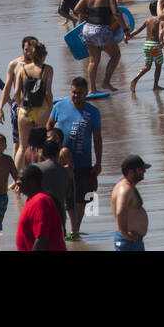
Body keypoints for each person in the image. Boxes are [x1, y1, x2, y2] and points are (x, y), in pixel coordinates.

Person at [46, 77, 103, 241]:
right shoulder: (59, 106)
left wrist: (98, 162)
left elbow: (97, 138)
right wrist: (52, 144)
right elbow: (49, 126)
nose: (76, 96)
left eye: (80, 93)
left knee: (83, 196)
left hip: (84, 161)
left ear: (86, 93)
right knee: (67, 197)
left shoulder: (93, 112)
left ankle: (75, 228)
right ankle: (71, 228)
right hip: (62, 162)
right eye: (74, 93)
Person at [76, 0, 121, 93]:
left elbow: (77, 9)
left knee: (93, 60)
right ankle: (106, 82)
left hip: (87, 29)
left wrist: (89, 14)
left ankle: (92, 89)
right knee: (115, 55)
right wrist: (125, 28)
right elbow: (116, 14)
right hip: (102, 29)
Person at [15, 164, 67, 252]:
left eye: (21, 179)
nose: (17, 182)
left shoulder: (40, 201)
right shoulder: (33, 199)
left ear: (32, 181)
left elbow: (42, 237)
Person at [111, 155, 149, 251]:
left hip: (133, 241)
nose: (144, 171)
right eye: (141, 169)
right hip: (128, 242)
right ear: (131, 172)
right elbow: (120, 212)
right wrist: (125, 234)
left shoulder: (129, 187)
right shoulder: (124, 188)